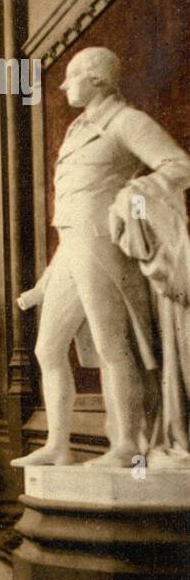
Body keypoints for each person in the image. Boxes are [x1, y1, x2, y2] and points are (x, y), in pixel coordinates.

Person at [15, 47, 190, 467]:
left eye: (72, 75)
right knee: (48, 348)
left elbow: (178, 166)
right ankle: (58, 446)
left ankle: (127, 446)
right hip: (73, 246)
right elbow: (74, 210)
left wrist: (132, 200)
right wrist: (45, 282)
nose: (63, 84)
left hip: (105, 247)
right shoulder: (78, 131)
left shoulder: (125, 121)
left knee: (114, 345)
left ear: (97, 79)